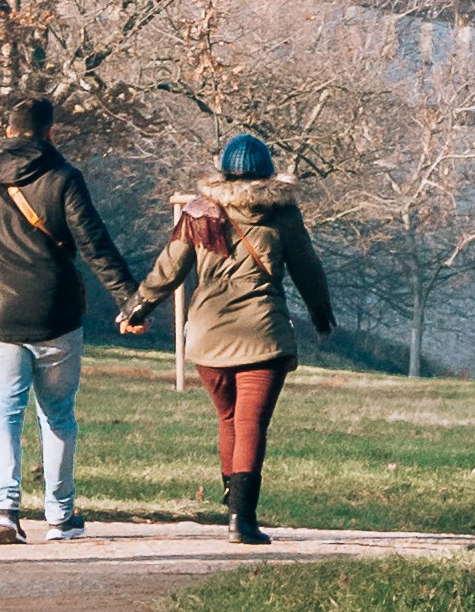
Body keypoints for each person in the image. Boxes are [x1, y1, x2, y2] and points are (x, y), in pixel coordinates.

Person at [0, 85, 140, 545]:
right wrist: (130, 299)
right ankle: (60, 515)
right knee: (58, 415)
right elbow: (94, 244)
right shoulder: (64, 177)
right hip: (57, 312)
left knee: (3, 412)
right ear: (50, 133)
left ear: (6, 132)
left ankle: (5, 511)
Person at [119, 131, 333, 545]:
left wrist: (136, 308)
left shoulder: (200, 213)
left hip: (209, 335)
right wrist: (321, 314)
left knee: (229, 419)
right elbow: (308, 268)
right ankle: (242, 520)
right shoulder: (282, 215)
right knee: (251, 423)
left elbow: (169, 269)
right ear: (269, 174)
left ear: (222, 172)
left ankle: (232, 510)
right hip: (263, 335)